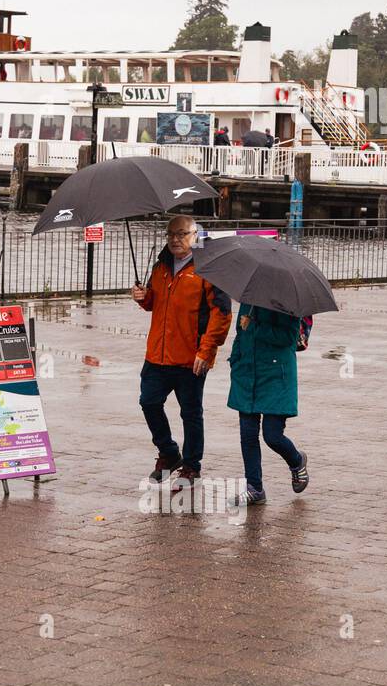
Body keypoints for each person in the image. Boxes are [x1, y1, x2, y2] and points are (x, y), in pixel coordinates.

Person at [131, 215, 233, 485]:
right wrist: (144, 298)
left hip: (191, 357)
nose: (175, 240)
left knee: (191, 412)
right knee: (149, 402)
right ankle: (168, 452)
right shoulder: (160, 266)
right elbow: (156, 302)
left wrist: (207, 350)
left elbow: (221, 314)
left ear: (195, 235)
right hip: (157, 354)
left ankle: (191, 465)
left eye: (182, 234)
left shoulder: (208, 269)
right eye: (171, 234)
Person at [226, 303, 310, 504]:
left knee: (272, 435)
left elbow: (288, 338)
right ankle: (255, 488)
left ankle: (297, 461)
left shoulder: (287, 302)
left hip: (276, 376)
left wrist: (254, 326)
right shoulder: (250, 298)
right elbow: (240, 331)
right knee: (247, 434)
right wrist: (235, 359)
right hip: (247, 373)